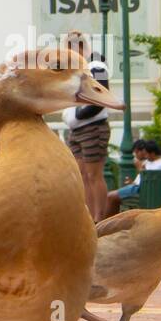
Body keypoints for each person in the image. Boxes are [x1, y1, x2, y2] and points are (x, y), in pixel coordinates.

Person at [64, 56, 113, 220]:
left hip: (93, 126)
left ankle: (99, 217)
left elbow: (100, 98)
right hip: (77, 128)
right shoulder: (78, 71)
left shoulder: (96, 68)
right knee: (82, 174)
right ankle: (89, 216)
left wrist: (79, 114)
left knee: (93, 175)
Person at [103, 138, 161, 217]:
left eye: (146, 154)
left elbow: (149, 181)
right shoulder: (148, 162)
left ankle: (104, 224)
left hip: (141, 190)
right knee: (109, 196)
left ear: (152, 153)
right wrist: (132, 182)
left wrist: (140, 169)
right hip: (137, 187)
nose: (145, 156)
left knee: (110, 197)